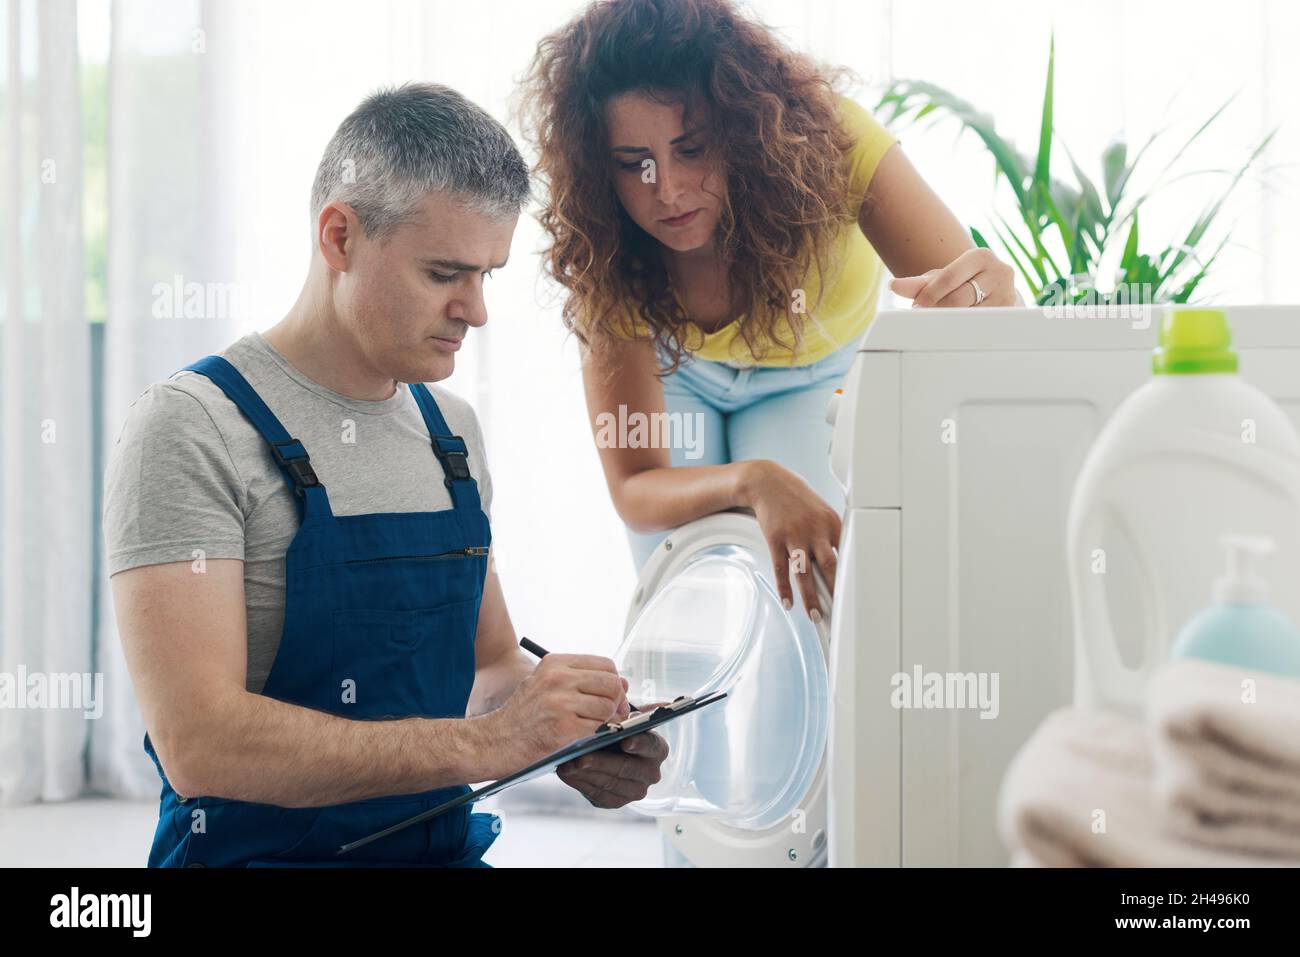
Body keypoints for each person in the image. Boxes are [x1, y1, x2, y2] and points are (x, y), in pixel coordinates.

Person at [104, 83, 667, 868]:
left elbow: (491, 664)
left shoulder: (452, 433)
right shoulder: (191, 427)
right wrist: (485, 742)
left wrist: (564, 732)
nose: (475, 310)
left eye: (487, 275)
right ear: (339, 235)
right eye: (444, 273)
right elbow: (201, 742)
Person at [520, 0, 1020, 620]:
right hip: (678, 374)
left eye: (693, 148)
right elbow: (634, 486)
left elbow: (977, 315)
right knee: (682, 608)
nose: (668, 190)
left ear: (742, 125)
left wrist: (992, 306)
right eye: (633, 164)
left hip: (811, 376)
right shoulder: (602, 240)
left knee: (804, 600)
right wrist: (749, 478)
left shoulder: (835, 142)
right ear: (599, 166)